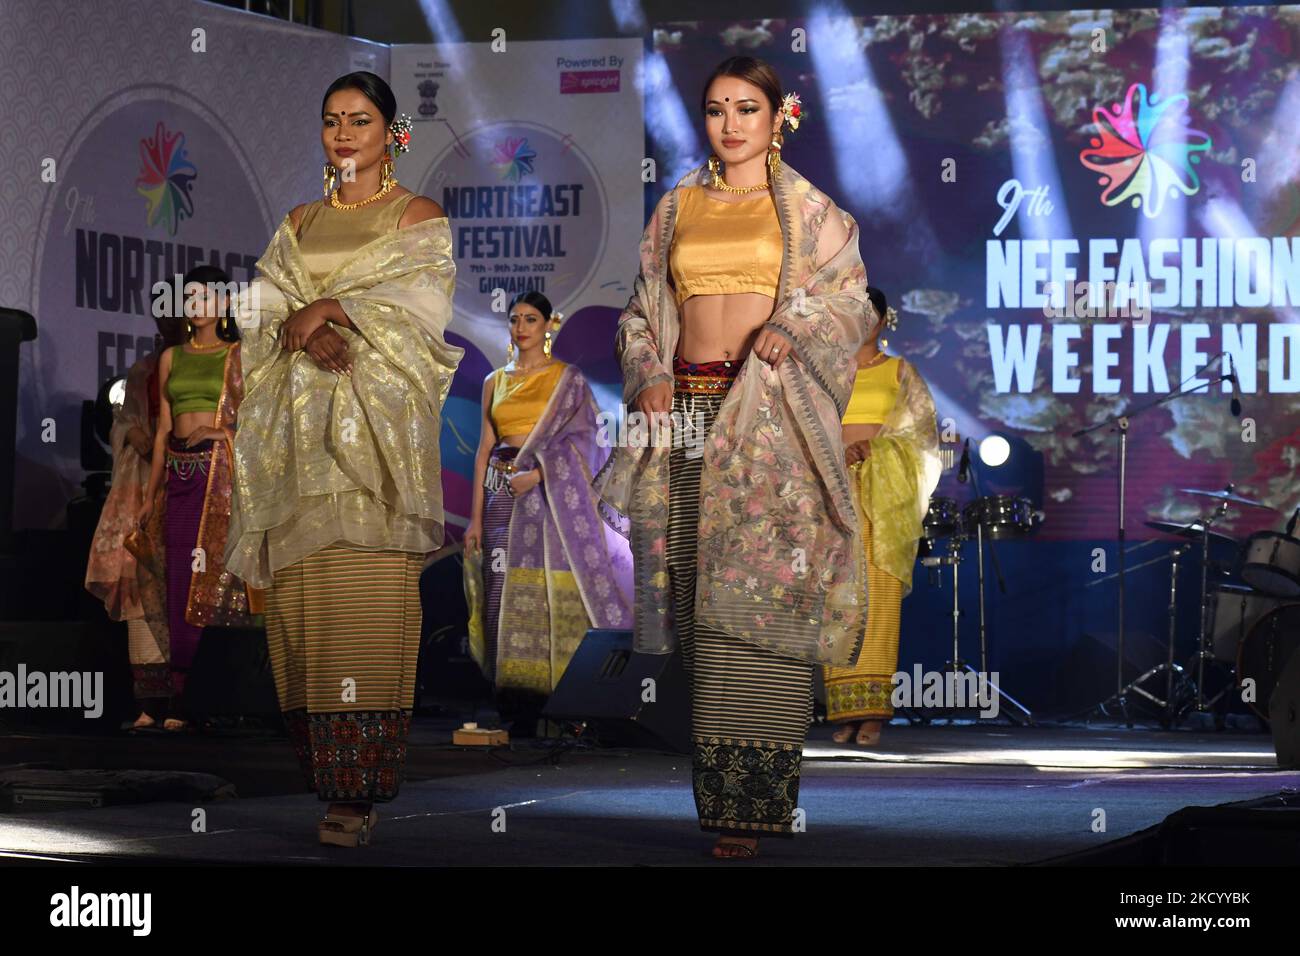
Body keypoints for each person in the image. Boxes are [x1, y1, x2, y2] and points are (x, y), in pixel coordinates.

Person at [595, 56, 874, 859]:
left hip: (768, 418)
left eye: (746, 108)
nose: (729, 124)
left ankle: (756, 802)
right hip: (685, 415)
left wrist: (797, 327)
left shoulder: (811, 212)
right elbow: (640, 311)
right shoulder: (677, 205)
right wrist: (647, 374)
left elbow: (848, 300)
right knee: (702, 605)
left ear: (777, 116)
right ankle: (718, 796)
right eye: (716, 109)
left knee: (762, 604)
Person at [225, 71, 462, 848]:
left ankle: (355, 794)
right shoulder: (298, 222)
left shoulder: (415, 216)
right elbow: (256, 310)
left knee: (364, 620)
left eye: (359, 121)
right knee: (304, 621)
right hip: (296, 453)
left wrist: (336, 308)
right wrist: (297, 318)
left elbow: (424, 312)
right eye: (332, 121)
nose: (342, 134)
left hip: (374, 457)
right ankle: (324, 775)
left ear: (391, 133)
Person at [462, 291, 633, 734]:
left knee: (541, 592)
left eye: (531, 319)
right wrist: (475, 519)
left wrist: (539, 474)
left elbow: (588, 442)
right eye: (515, 319)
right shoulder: (493, 381)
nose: (521, 327)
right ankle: (513, 704)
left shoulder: (567, 380)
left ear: (547, 326)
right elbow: (483, 451)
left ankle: (555, 705)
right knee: (501, 595)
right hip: (501, 497)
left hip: (548, 499)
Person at [137, 265, 255, 730]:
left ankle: (196, 695)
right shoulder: (171, 357)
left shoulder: (237, 355)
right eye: (189, 296)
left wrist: (219, 430)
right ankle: (171, 692)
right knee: (174, 580)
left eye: (205, 296)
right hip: (179, 475)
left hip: (216, 475)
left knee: (204, 579)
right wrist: (149, 496)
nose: (194, 304)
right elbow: (164, 429)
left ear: (224, 304)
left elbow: (255, 423)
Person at [824, 288, 940, 746]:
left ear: (883, 319)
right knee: (838, 602)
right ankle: (843, 712)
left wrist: (876, 449)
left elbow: (923, 440)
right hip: (834, 494)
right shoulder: (825, 371)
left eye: (869, 313)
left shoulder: (900, 373)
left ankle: (873, 713)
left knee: (878, 606)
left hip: (884, 500)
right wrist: (837, 452)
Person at [85, 311, 185, 728]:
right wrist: (131, 432)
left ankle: (183, 702)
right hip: (141, 479)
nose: (166, 326)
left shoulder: (205, 362)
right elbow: (122, 418)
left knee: (181, 583)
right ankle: (149, 702)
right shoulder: (143, 367)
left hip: (186, 473)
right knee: (139, 583)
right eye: (161, 319)